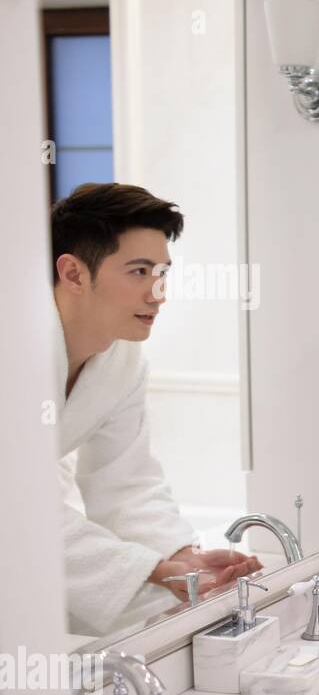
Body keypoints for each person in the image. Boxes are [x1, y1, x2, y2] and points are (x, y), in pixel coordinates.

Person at [52, 182, 260, 635]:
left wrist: (179, 556)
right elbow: (16, 507)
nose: (158, 293)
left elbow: (125, 481)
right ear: (73, 274)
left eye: (162, 272)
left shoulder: (121, 362)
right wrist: (149, 569)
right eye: (139, 272)